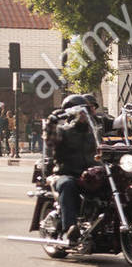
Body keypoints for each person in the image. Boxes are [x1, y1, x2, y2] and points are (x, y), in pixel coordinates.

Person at [49, 95, 100, 242]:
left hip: (89, 174)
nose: (83, 114)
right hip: (67, 173)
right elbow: (50, 140)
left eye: (85, 110)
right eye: (80, 111)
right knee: (67, 184)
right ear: (71, 114)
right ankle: (70, 228)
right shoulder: (63, 131)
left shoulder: (94, 132)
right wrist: (51, 122)